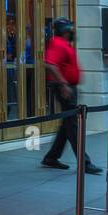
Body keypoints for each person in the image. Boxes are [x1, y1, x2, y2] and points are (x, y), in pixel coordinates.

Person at [40, 18, 101, 174]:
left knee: (67, 124)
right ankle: (85, 163)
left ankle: (51, 157)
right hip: (64, 87)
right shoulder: (58, 43)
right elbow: (50, 63)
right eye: (72, 29)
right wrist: (63, 84)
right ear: (66, 30)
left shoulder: (64, 44)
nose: (74, 32)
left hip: (67, 86)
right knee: (73, 125)